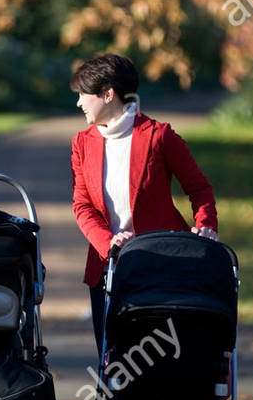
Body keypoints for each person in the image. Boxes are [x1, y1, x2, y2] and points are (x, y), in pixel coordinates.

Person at [69, 54, 219, 354]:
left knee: (162, 357)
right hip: (108, 265)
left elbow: (198, 187)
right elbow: (82, 205)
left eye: (83, 95)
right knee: (112, 354)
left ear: (108, 94)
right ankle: (115, 399)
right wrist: (109, 242)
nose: (79, 103)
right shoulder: (82, 143)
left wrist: (205, 226)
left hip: (161, 263)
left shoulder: (159, 136)